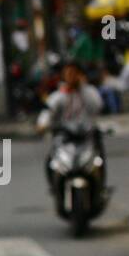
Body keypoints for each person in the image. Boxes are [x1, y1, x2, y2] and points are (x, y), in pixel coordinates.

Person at [37, 59, 106, 188]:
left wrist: (82, 88)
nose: (71, 77)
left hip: (86, 136)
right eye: (68, 74)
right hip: (65, 138)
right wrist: (42, 124)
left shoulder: (88, 92)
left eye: (74, 73)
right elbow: (47, 112)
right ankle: (55, 188)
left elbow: (97, 106)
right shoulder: (59, 96)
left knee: (99, 159)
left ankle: (100, 187)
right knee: (50, 161)